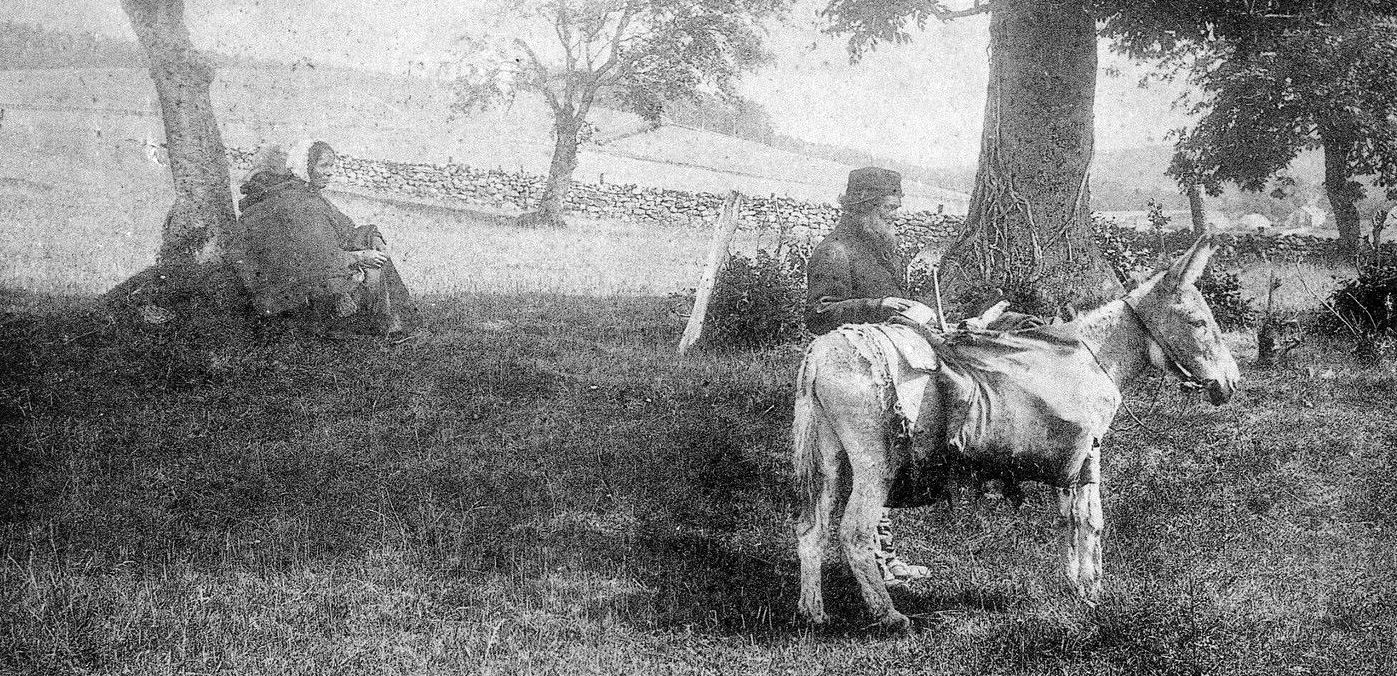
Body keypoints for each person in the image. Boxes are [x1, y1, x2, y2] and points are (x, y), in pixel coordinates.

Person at [804, 166, 931, 586]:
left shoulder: (882, 247)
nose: (895, 220)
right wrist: (880, 305)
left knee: (885, 457)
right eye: (889, 211)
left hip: (884, 365)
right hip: (850, 370)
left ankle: (886, 556)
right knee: (868, 462)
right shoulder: (835, 251)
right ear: (864, 209)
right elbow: (819, 314)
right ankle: (871, 558)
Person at [237, 140, 418, 339]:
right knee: (375, 267)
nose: (331, 172)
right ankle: (387, 330)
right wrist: (359, 257)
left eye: (332, 165)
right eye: (324, 165)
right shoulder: (296, 203)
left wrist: (372, 235)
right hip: (298, 297)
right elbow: (317, 256)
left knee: (374, 249)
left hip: (313, 279)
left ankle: (398, 326)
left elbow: (344, 230)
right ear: (304, 167)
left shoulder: (305, 195)